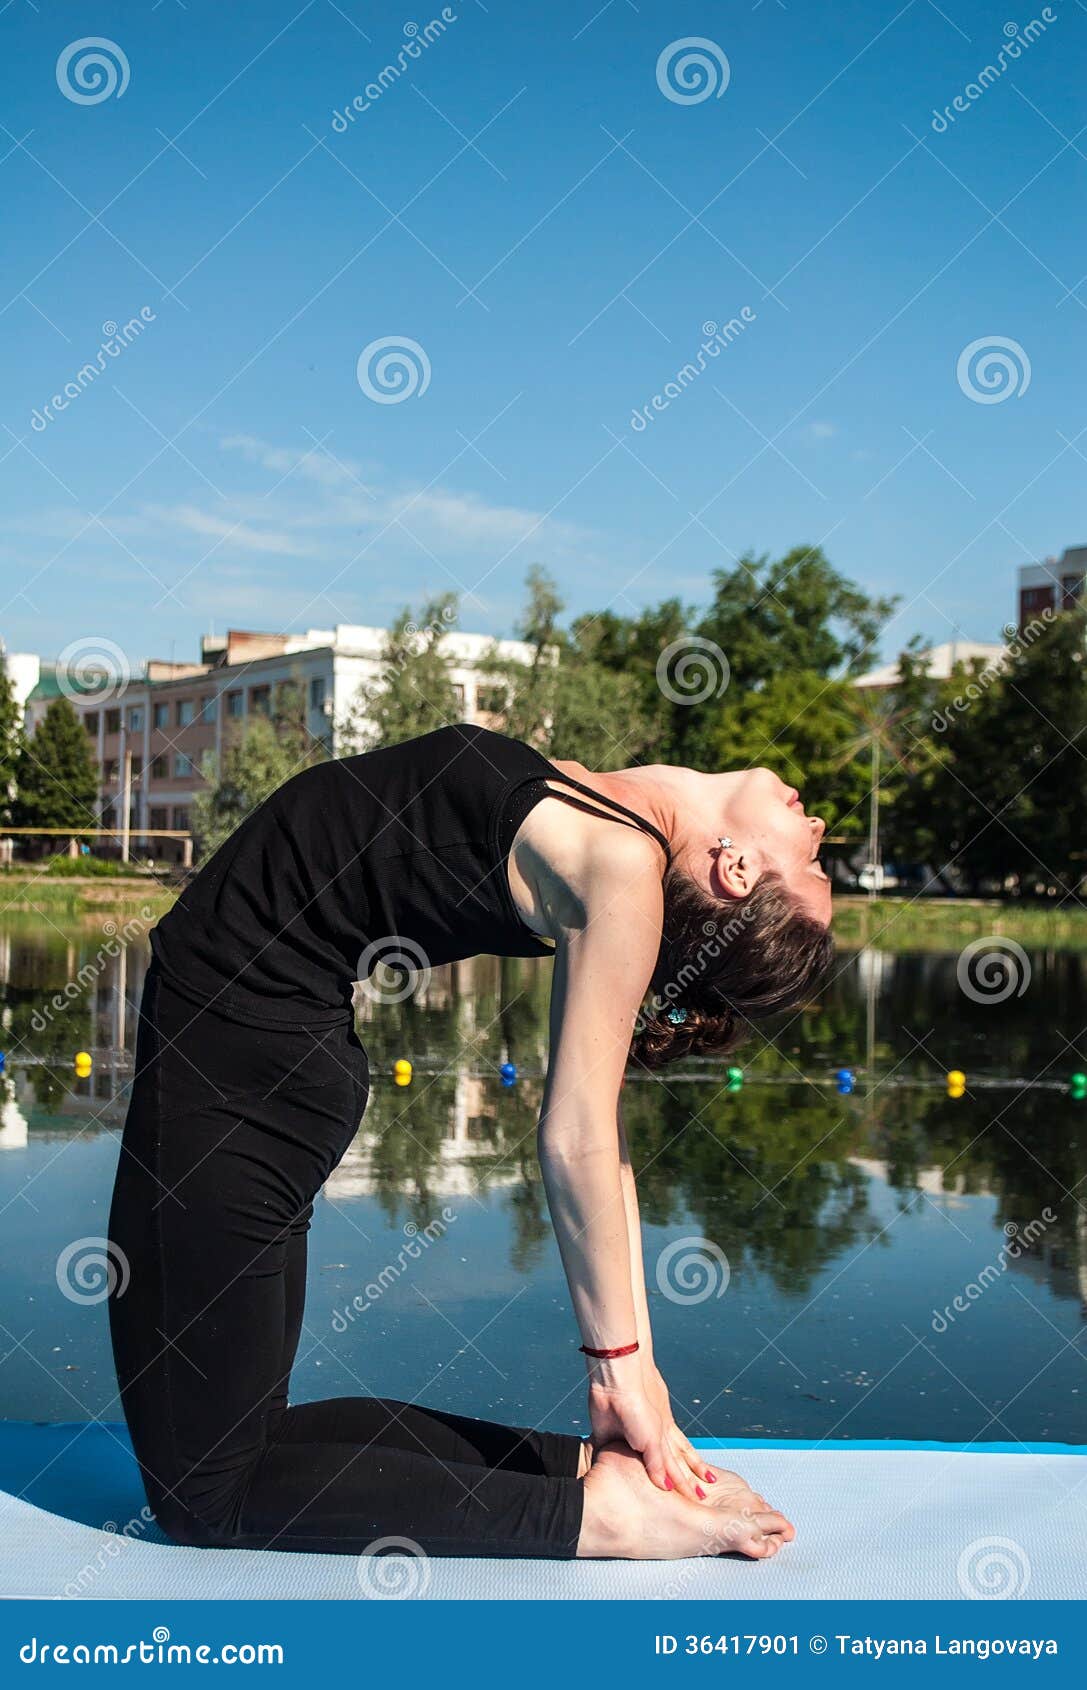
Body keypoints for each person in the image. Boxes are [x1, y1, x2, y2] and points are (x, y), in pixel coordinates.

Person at [107, 723, 832, 1562]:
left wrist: (623, 1370)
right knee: (243, 1442)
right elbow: (602, 1137)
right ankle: (583, 1477)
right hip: (262, 1061)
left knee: (205, 1499)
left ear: (737, 870)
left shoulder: (620, 864)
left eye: (813, 867)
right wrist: (637, 1388)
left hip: (236, 1066)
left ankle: (599, 1521)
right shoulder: (604, 814)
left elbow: (582, 1133)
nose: (819, 833)